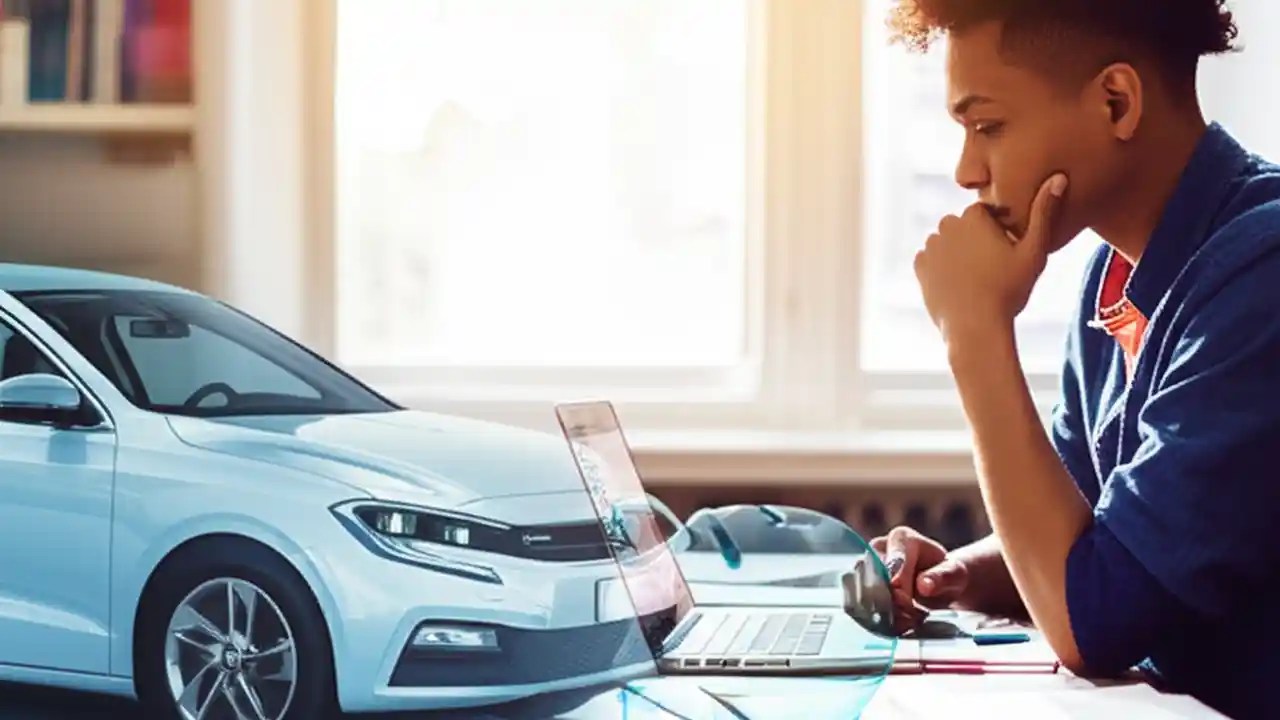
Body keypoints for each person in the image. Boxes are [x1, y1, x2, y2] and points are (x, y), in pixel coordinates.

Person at [869, 2, 1280, 717]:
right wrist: (959, 576)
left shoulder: (1264, 273)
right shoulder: (1112, 277)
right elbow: (1091, 541)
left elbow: (1094, 621)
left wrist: (973, 334)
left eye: (987, 126)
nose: (967, 171)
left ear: (1115, 102)